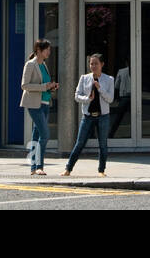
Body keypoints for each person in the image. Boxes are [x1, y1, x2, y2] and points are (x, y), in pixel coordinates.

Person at [61, 53, 113, 177]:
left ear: (102, 64)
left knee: (103, 144)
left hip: (103, 116)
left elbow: (110, 99)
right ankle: (68, 169)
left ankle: (101, 170)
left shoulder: (109, 79)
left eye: (96, 63)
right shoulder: (84, 78)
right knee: (80, 143)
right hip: (88, 116)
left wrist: (100, 88)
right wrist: (87, 99)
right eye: (91, 63)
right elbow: (77, 96)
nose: (93, 66)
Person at [19, 39, 60, 175]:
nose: (49, 52)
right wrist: (44, 87)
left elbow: (45, 85)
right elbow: (24, 85)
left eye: (49, 49)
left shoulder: (44, 65)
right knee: (45, 134)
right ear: (39, 50)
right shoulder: (30, 65)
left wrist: (52, 87)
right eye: (47, 49)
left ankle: (33, 168)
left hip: (45, 104)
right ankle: (39, 166)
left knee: (37, 135)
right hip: (34, 104)